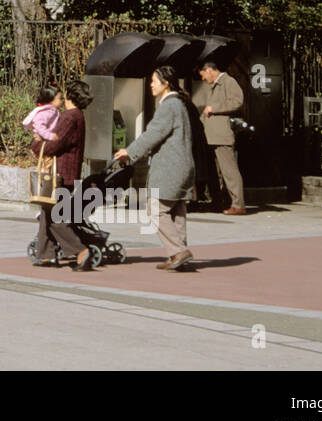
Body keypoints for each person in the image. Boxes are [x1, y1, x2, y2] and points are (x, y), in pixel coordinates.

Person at [115, 66, 197, 270]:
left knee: (155, 209)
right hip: (184, 165)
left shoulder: (168, 105)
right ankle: (178, 253)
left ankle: (178, 251)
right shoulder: (180, 104)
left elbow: (153, 133)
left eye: (154, 80)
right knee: (176, 210)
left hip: (170, 166)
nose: (151, 84)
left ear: (166, 83)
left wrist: (130, 151)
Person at [33, 79, 95, 270]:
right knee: (47, 211)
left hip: (60, 173)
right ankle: (46, 254)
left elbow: (55, 144)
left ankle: (80, 250)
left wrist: (36, 143)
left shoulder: (69, 117)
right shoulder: (78, 116)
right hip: (67, 171)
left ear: (70, 96)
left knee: (54, 216)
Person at [197, 61, 246, 214]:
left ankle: (238, 205)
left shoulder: (228, 82)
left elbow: (238, 101)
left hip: (222, 136)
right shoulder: (215, 86)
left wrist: (214, 109)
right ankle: (218, 201)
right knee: (215, 173)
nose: (204, 79)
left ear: (210, 70)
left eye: (203, 75)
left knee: (229, 171)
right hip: (211, 137)